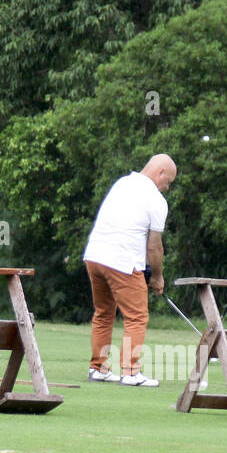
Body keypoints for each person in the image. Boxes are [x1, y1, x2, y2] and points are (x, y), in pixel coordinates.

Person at [83, 154, 177, 386]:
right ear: (161, 173)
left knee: (104, 312)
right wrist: (157, 276)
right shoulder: (156, 200)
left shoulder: (122, 183)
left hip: (95, 256)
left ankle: (99, 368)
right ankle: (131, 372)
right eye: (169, 181)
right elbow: (154, 246)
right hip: (122, 261)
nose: (168, 187)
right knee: (136, 317)